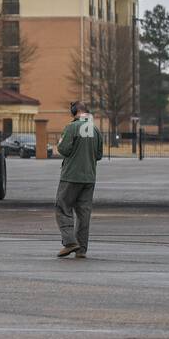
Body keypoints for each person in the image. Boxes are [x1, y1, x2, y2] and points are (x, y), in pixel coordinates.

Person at [55, 101, 104, 258]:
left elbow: (63, 149)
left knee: (63, 207)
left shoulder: (72, 127)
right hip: (89, 177)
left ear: (74, 111)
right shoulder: (96, 130)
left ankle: (70, 242)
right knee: (84, 213)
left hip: (71, 176)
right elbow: (99, 155)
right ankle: (81, 249)